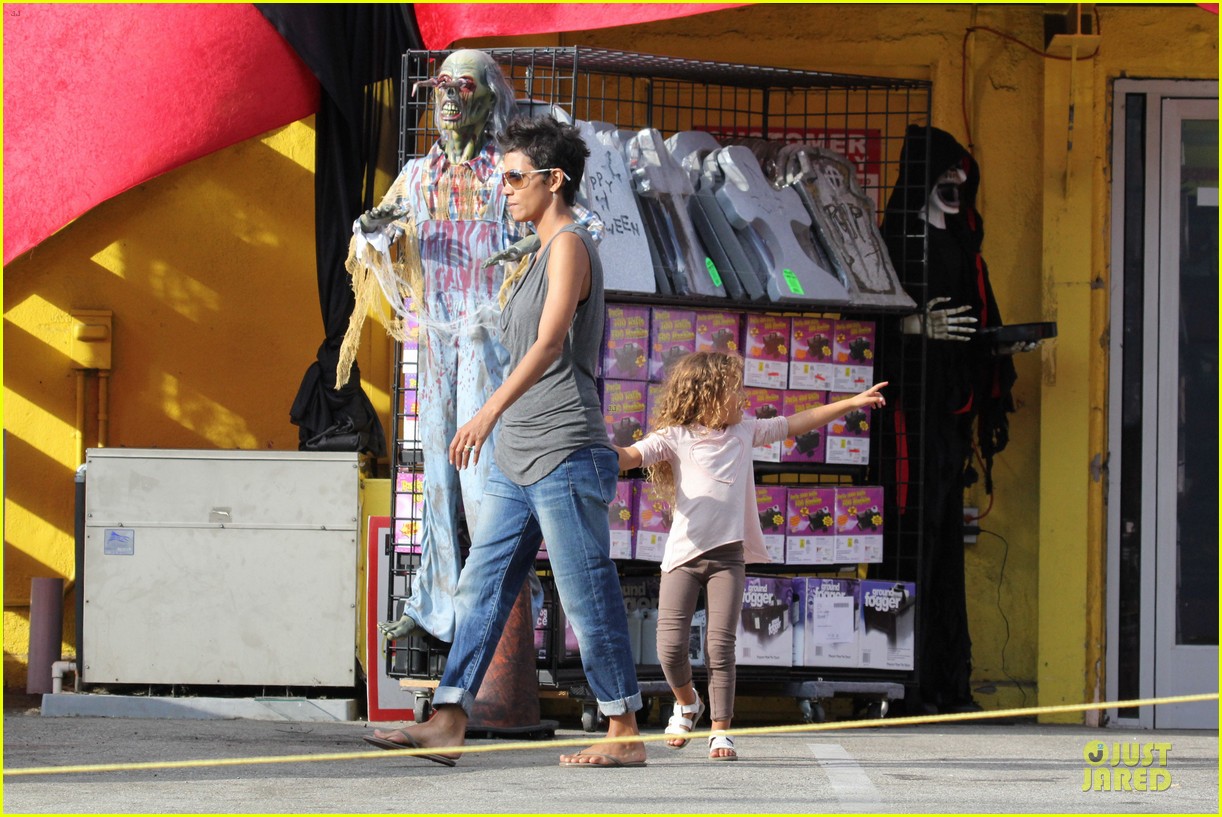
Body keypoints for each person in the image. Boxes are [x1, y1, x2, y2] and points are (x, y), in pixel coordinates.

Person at [364, 115, 645, 768]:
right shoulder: (534, 253)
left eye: (517, 178)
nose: (506, 189)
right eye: (503, 176)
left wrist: (486, 411)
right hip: (519, 455)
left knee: (584, 589)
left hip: (563, 448)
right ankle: (450, 716)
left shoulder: (571, 245)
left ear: (555, 181)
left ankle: (623, 725)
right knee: (480, 584)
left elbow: (549, 344)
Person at [614, 351, 887, 760]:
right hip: (683, 557)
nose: (743, 397)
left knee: (719, 646)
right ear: (705, 395)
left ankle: (720, 730)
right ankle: (688, 703)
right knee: (669, 647)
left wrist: (849, 403)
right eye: (733, 390)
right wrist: (596, 447)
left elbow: (798, 423)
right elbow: (631, 457)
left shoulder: (745, 431)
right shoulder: (675, 436)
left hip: (728, 558)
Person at [879, 124, 1019, 714]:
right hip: (908, 413)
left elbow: (979, 315)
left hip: (951, 415)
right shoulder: (896, 239)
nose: (958, 178)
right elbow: (873, 322)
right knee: (907, 542)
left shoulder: (965, 241)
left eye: (964, 169)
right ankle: (897, 681)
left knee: (943, 548)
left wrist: (1002, 347)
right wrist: (915, 326)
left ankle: (944, 680)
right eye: (947, 168)